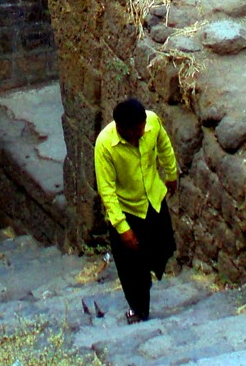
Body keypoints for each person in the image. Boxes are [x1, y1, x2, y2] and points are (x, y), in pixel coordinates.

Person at [93, 98, 178, 323]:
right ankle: (139, 309)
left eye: (141, 132)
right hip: (126, 210)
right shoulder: (105, 145)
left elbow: (164, 145)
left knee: (163, 249)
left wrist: (171, 174)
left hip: (152, 199)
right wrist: (123, 228)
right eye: (134, 134)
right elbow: (107, 190)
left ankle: (147, 273)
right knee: (131, 267)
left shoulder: (152, 122)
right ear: (121, 128)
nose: (139, 137)